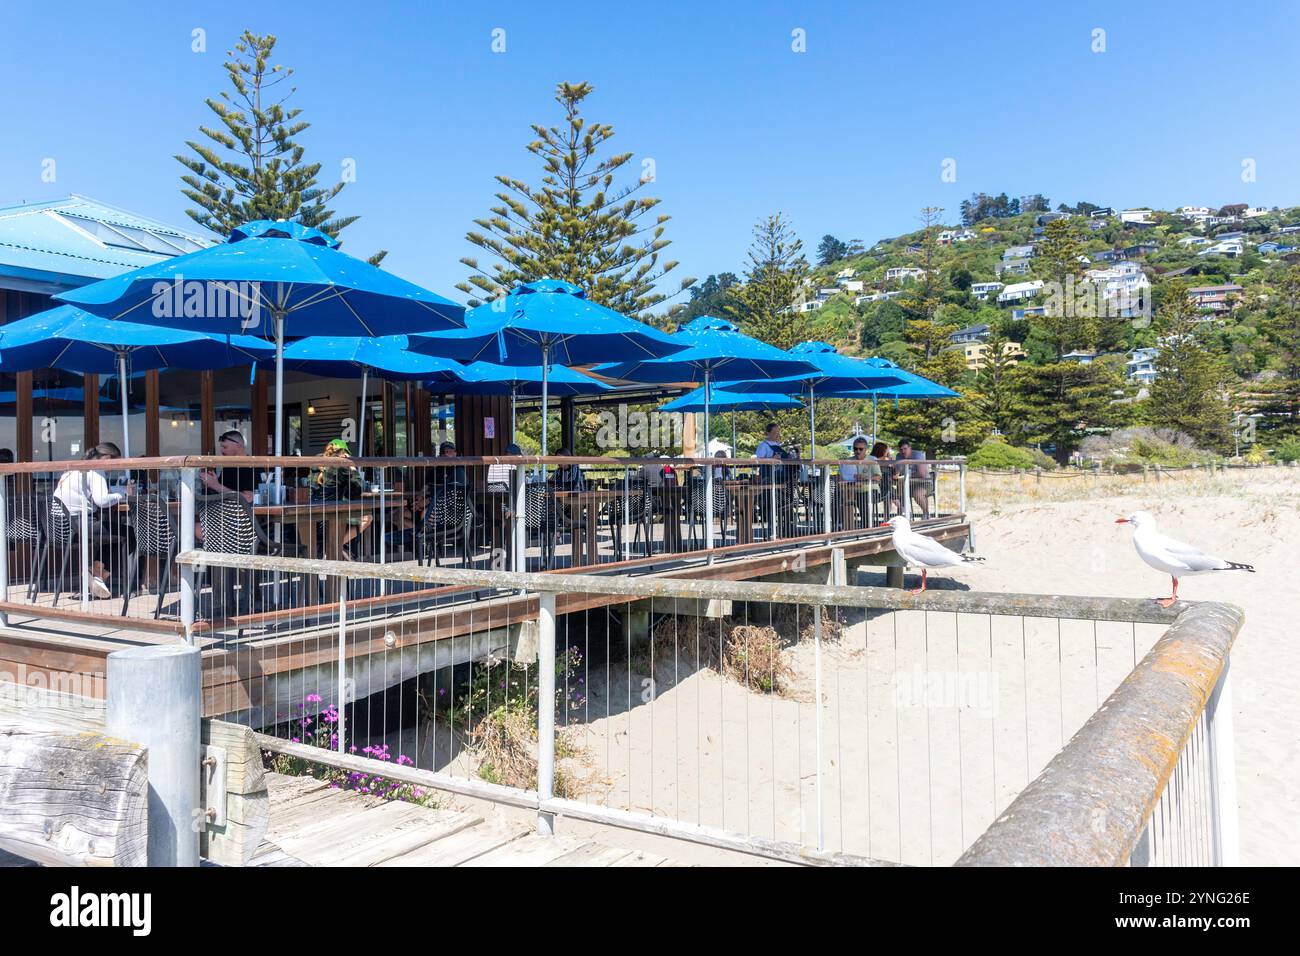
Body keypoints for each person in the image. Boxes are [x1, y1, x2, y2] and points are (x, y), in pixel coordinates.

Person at [52, 442, 133, 598]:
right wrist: (123, 495)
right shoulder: (96, 470)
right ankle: (101, 576)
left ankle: (96, 571)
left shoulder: (76, 468)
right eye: (116, 463)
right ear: (108, 458)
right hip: (78, 524)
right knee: (130, 534)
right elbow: (101, 500)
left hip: (59, 525)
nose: (115, 468)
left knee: (114, 535)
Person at [311, 439, 372, 556]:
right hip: (329, 519)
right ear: (343, 453)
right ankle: (333, 546)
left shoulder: (316, 465)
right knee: (367, 517)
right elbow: (359, 489)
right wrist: (352, 468)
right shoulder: (340, 466)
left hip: (311, 519)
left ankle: (331, 546)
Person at [198, 430, 258, 502]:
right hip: (223, 510)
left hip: (241, 512)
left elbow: (248, 498)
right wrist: (211, 483)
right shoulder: (228, 466)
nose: (221, 450)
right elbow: (221, 491)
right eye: (221, 447)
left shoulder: (253, 466)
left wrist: (215, 485)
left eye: (225, 447)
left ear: (238, 446)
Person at [894, 440, 932, 518]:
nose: (903, 451)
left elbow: (922, 474)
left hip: (925, 482)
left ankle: (926, 514)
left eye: (905, 449)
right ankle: (904, 513)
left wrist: (907, 476)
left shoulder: (918, 455)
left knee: (917, 494)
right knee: (895, 493)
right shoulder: (898, 456)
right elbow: (897, 473)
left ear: (910, 448)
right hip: (907, 484)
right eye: (901, 449)